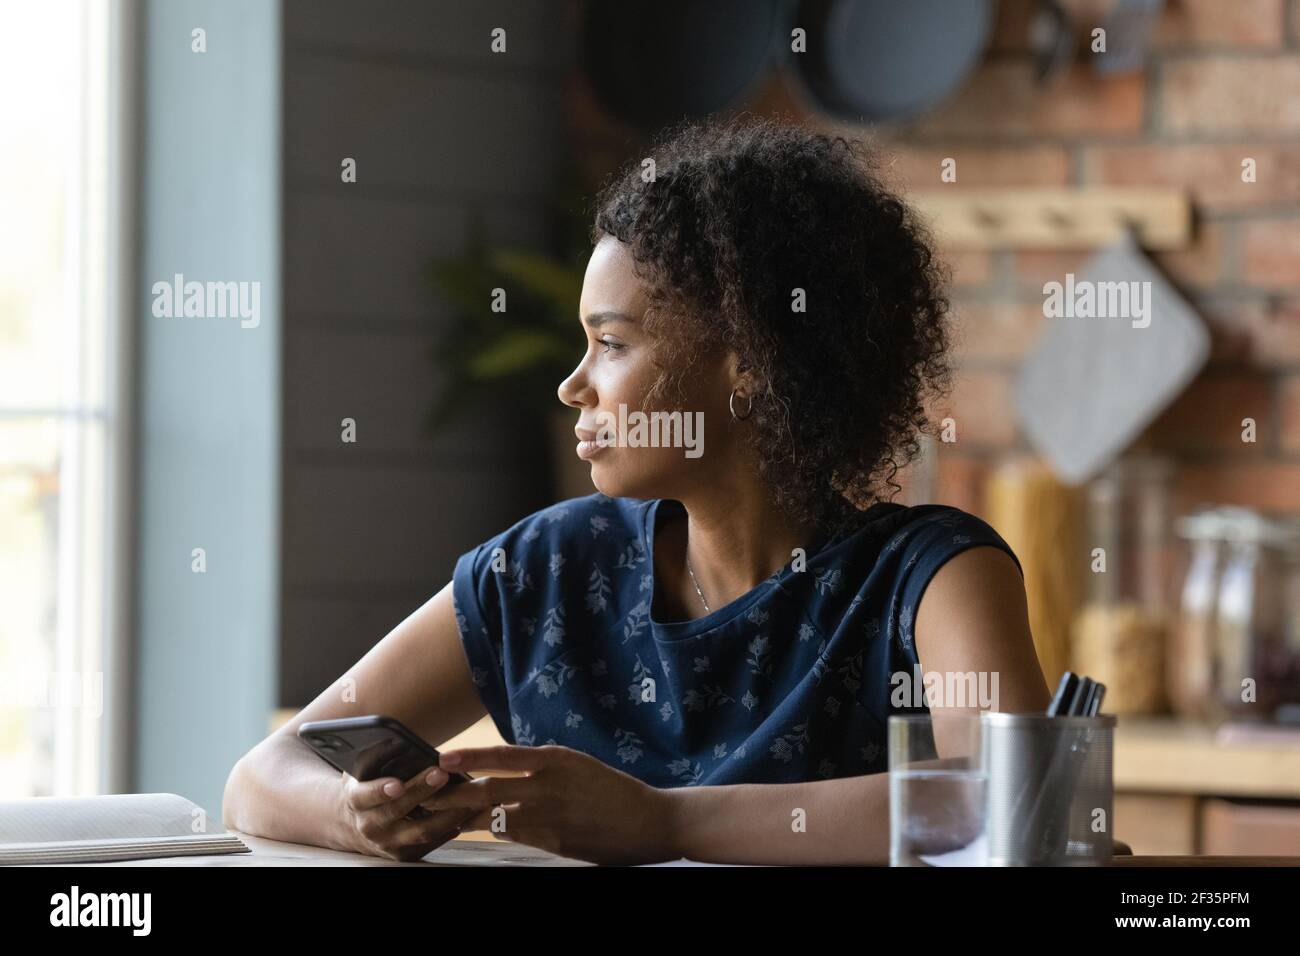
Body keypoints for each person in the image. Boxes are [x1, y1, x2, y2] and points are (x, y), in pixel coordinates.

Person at [222, 116, 1050, 865]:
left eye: (611, 345)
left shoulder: (932, 575)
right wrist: (355, 813)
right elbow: (264, 774)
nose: (573, 387)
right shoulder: (542, 571)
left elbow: (1009, 805)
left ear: (749, 366)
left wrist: (663, 823)